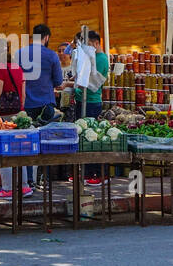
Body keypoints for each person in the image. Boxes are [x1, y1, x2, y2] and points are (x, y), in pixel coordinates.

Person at [0, 39, 31, 199]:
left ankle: (8, 189)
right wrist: (20, 110)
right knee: (20, 151)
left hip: (4, 117)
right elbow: (23, 94)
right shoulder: (18, 68)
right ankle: (24, 187)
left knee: (4, 151)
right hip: (19, 114)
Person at [15, 24, 68, 123]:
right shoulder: (52, 55)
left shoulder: (19, 53)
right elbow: (58, 82)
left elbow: (15, 78)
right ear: (47, 37)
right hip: (45, 104)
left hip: (25, 104)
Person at [76, 31, 109, 185]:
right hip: (83, 101)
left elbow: (90, 83)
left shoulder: (101, 59)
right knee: (84, 138)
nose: (87, 48)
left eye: (89, 45)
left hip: (91, 103)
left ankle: (100, 174)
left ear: (96, 43)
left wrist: (71, 85)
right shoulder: (92, 57)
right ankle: (88, 172)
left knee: (93, 138)